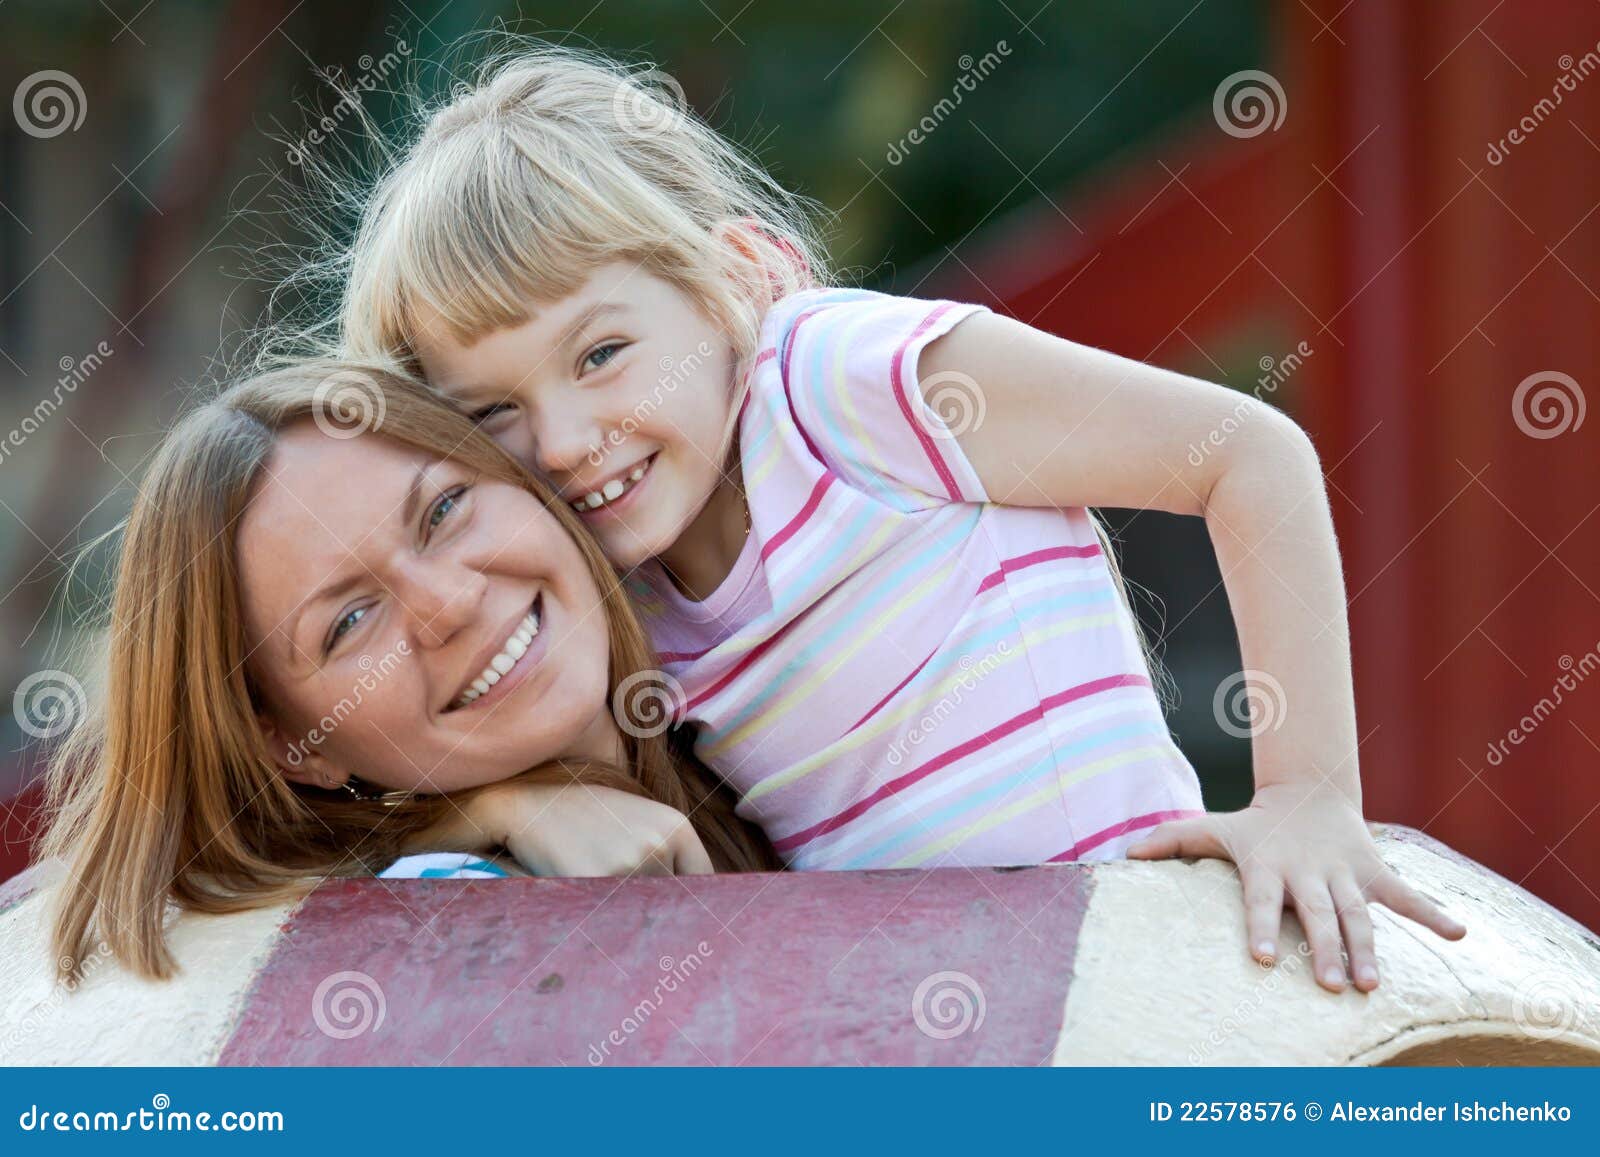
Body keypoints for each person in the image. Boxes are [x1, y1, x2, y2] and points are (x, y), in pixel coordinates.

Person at [336, 42, 1466, 993]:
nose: (567, 438)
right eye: (496, 413)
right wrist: (505, 799)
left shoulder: (834, 382)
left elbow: (1247, 453)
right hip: (923, 1007)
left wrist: (1308, 797)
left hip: (1125, 941)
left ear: (733, 281)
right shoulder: (603, 585)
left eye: (602, 353)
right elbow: (330, 808)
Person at [39, 360, 777, 982]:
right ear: (291, 745)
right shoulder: (449, 928)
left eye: (444, 509)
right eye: (350, 622)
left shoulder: (763, 679)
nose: (450, 601)